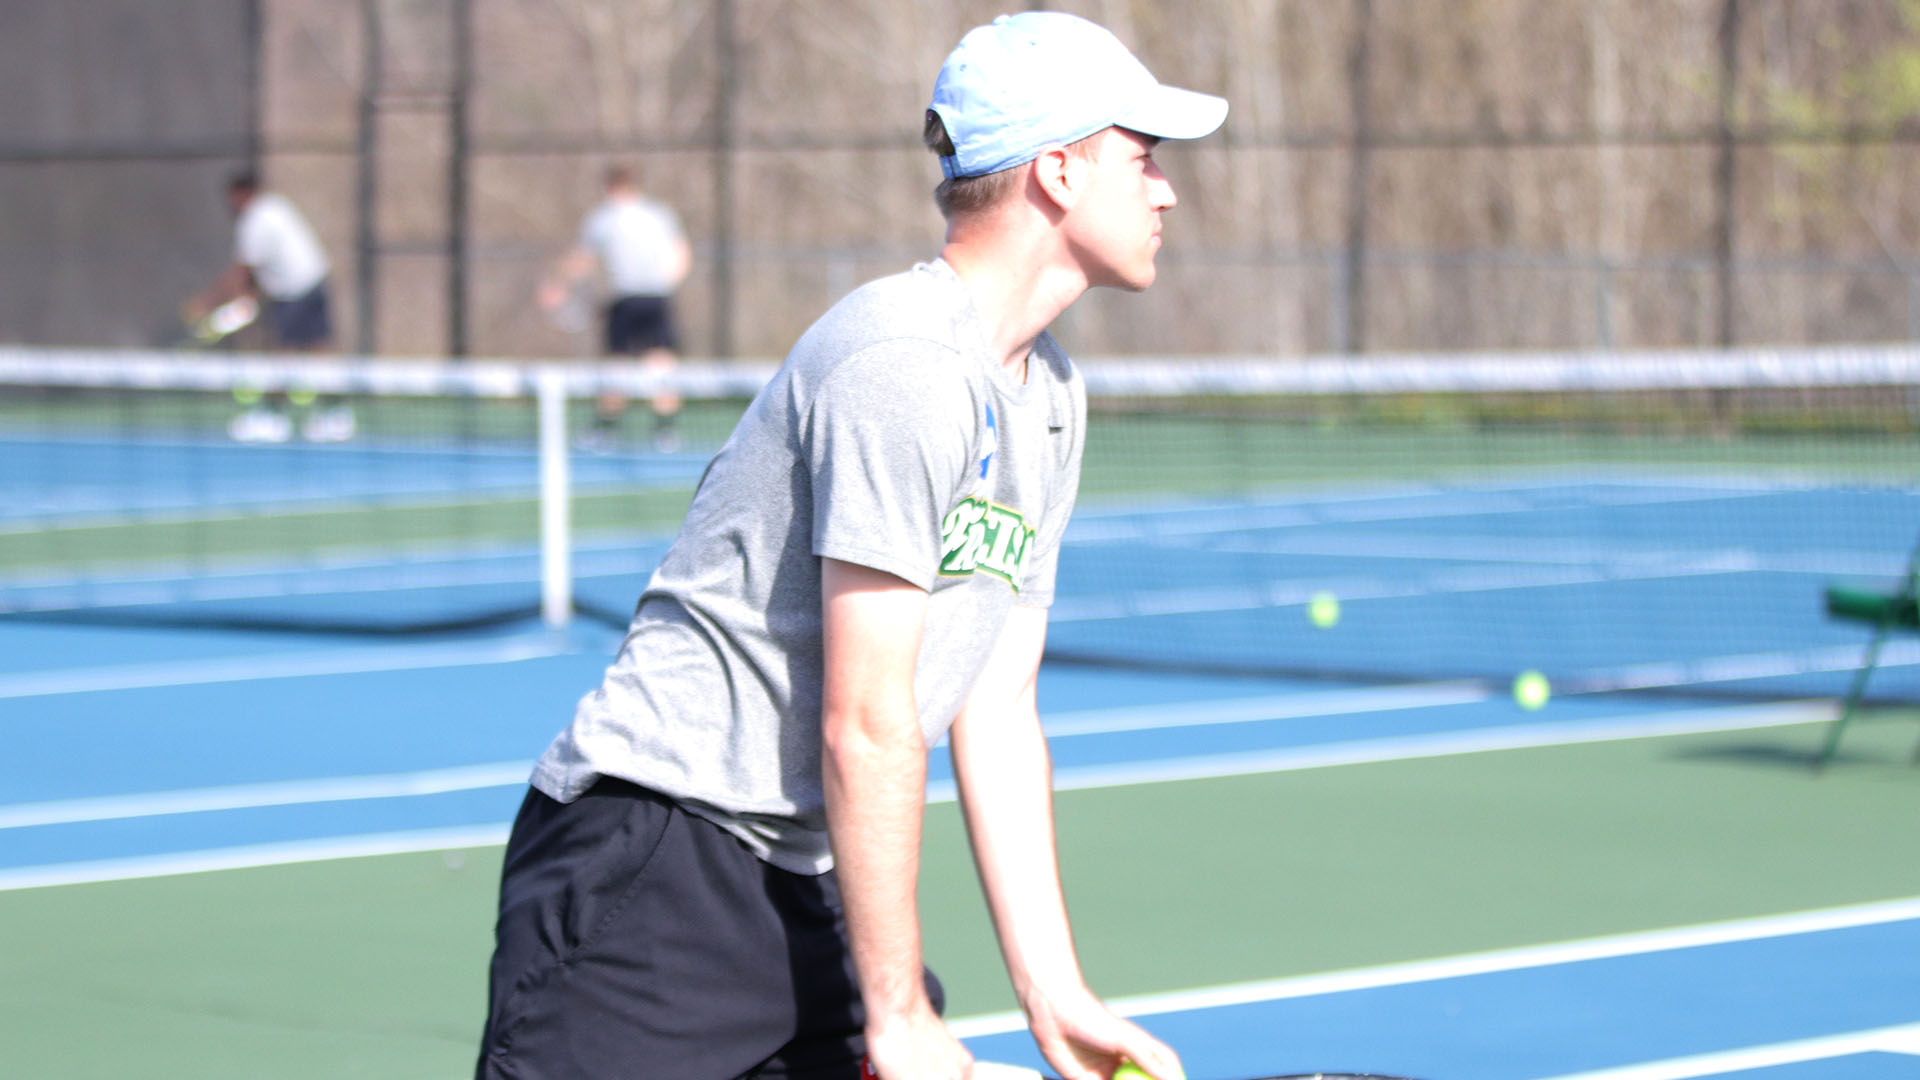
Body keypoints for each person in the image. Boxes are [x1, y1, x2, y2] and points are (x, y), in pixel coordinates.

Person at [476, 13, 1226, 1080]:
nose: (1166, 191)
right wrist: (898, 1013)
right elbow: (868, 721)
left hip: (808, 873)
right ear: (1059, 172)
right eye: (1142, 159)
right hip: (658, 865)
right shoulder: (904, 361)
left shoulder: (1051, 397)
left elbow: (996, 708)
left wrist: (1052, 986)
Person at [185, 171, 354, 443]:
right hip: (316, 279)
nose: (231, 205)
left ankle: (272, 416)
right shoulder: (277, 206)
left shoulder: (255, 220)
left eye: (232, 198)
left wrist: (207, 302)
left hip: (297, 290)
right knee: (319, 348)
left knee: (283, 353)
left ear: (241, 194)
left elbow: (243, 272)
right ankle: (335, 414)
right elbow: (262, 269)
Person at [538, 164, 692, 451]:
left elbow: (583, 259)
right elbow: (682, 253)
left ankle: (607, 428)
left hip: (626, 298)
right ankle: (666, 430)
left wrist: (556, 282)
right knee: (660, 361)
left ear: (610, 187)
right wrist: (667, 283)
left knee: (618, 363)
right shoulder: (659, 214)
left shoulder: (603, 218)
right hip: (657, 296)